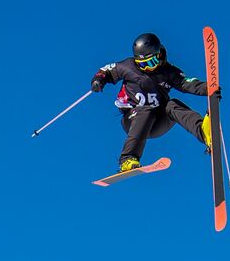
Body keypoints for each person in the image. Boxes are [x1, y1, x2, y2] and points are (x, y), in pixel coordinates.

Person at [89, 32, 215, 172]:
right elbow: (106, 70)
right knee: (145, 109)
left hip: (157, 122)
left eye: (151, 63)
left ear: (159, 55)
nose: (147, 68)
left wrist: (208, 88)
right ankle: (127, 159)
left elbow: (186, 83)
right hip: (132, 119)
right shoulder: (128, 67)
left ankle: (204, 132)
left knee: (173, 104)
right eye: (142, 64)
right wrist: (98, 80)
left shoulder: (168, 72)